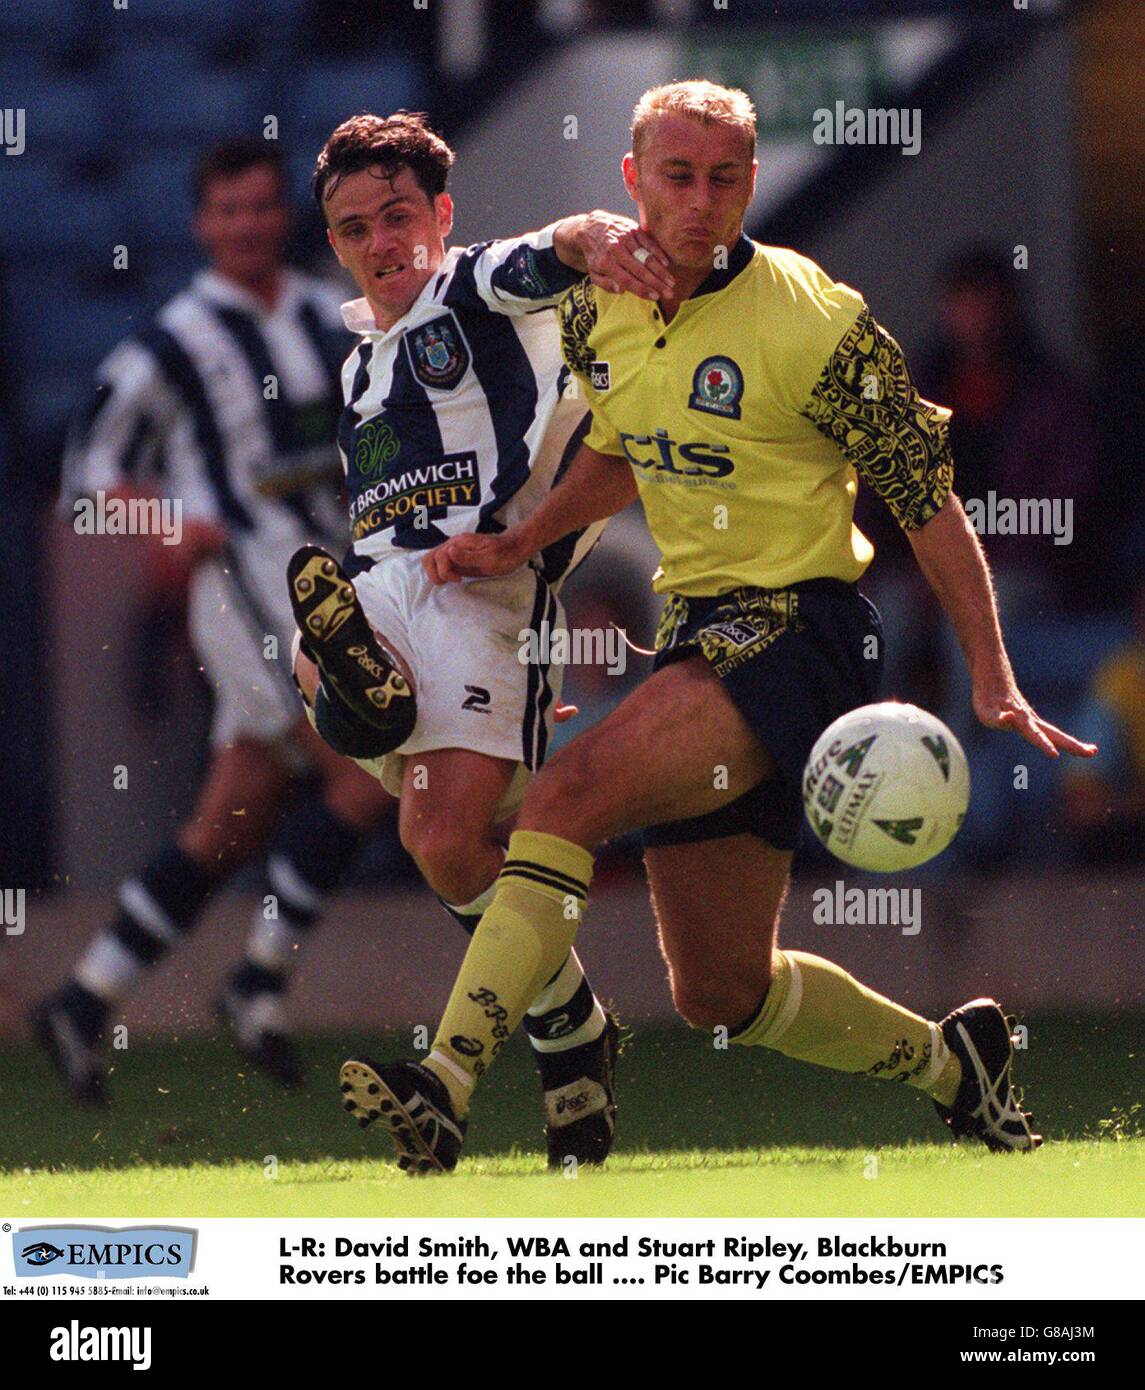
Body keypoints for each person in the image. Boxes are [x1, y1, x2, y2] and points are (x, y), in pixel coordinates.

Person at [334, 81, 1097, 1174]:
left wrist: (991, 674)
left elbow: (927, 502)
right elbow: (615, 451)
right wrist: (520, 541)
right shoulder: (601, 307)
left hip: (800, 629)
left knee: (567, 794)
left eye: (724, 178)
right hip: (697, 634)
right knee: (720, 991)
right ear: (633, 180)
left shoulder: (813, 321)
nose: (700, 202)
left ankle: (445, 1081)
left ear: (749, 180)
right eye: (677, 177)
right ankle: (952, 1066)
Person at [285, 111, 677, 1167]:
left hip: (483, 584)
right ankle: (567, 1035)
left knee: (442, 841)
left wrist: (606, 239)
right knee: (317, 658)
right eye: (355, 227)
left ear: (440, 214)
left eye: (399, 216)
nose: (382, 243)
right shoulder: (359, 363)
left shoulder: (472, 285)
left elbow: (559, 244)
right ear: (333, 242)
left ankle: (564, 1039)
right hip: (385, 583)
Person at [31, 139, 405, 1095]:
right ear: (203, 226)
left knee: (227, 822)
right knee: (370, 770)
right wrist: (170, 522)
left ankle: (83, 997)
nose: (244, 225)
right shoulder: (170, 343)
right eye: (226, 211)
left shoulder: (336, 315)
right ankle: (258, 982)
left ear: (283, 217)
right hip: (245, 593)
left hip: (337, 589)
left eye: (258, 207)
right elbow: (89, 484)